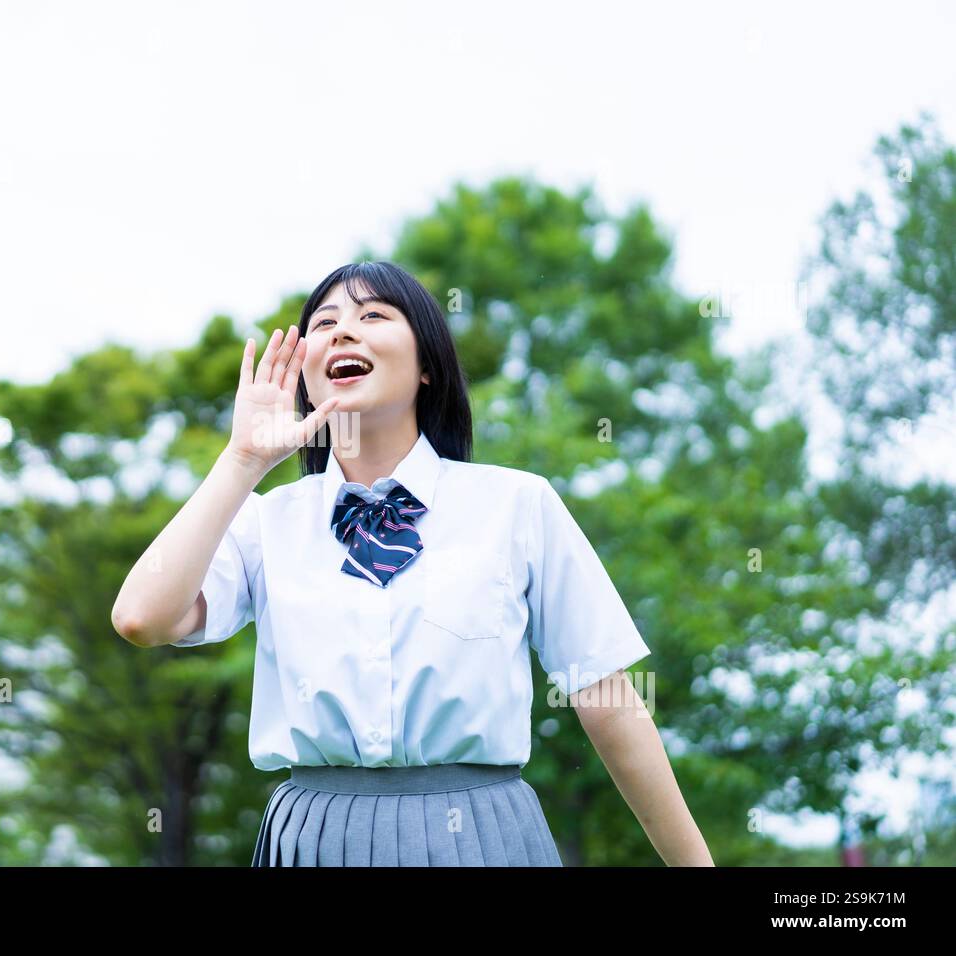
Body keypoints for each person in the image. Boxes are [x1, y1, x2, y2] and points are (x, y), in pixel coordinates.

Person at [112, 260, 714, 866]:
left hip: (483, 835)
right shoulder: (267, 521)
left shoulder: (516, 505)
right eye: (325, 322)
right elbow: (143, 617)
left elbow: (607, 694)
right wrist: (242, 460)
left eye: (373, 315)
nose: (344, 331)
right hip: (316, 840)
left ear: (427, 366)